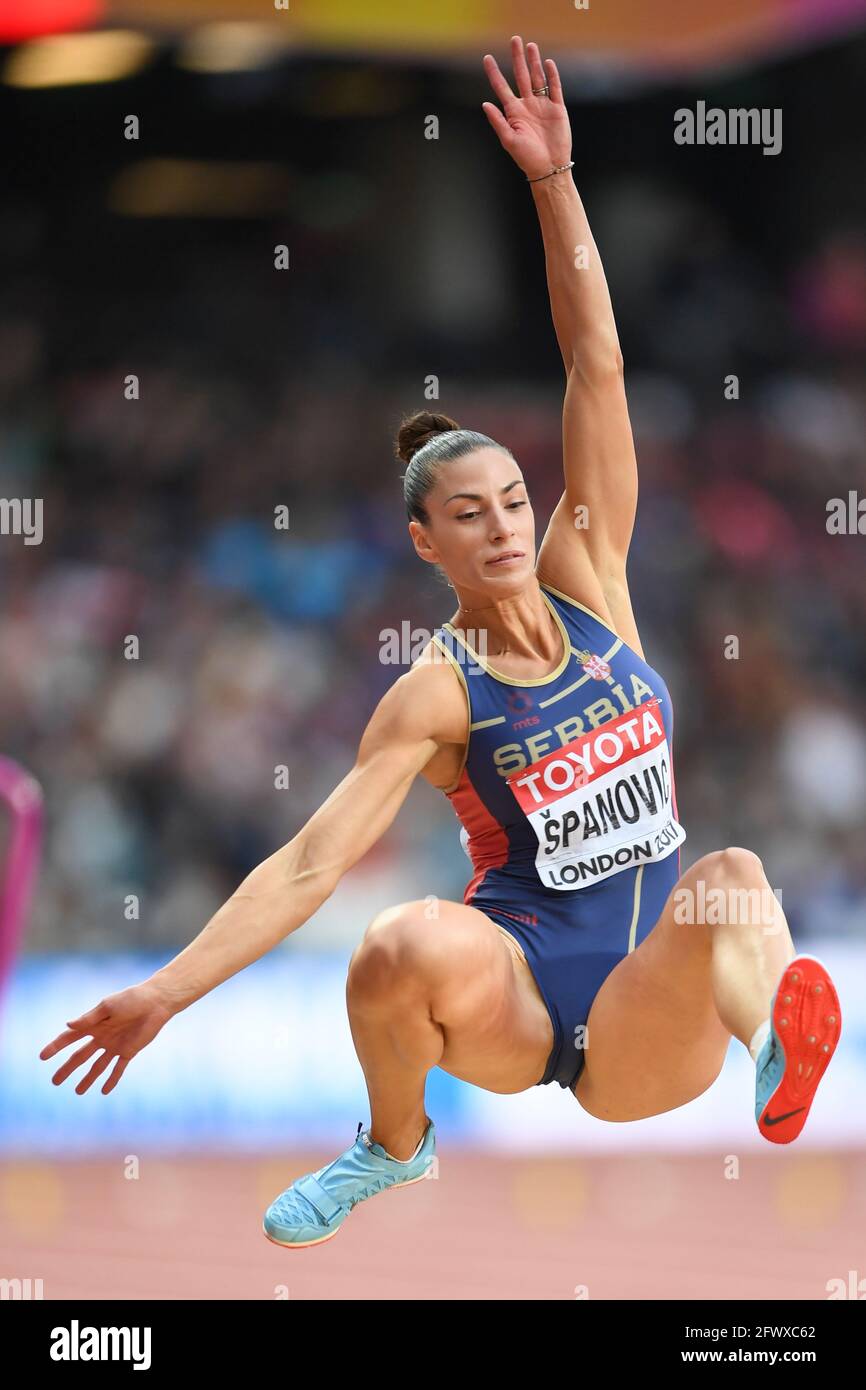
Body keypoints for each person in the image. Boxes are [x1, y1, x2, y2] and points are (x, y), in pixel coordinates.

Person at [39, 36, 841, 1250]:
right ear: (426, 543)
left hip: (648, 1024)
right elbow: (308, 864)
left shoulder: (595, 590)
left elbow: (596, 364)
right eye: (469, 514)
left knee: (729, 876)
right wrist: (163, 992)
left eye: (514, 499)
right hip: (517, 999)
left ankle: (776, 1047)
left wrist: (552, 183)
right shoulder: (435, 694)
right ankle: (392, 1144)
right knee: (392, 936)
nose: (505, 526)